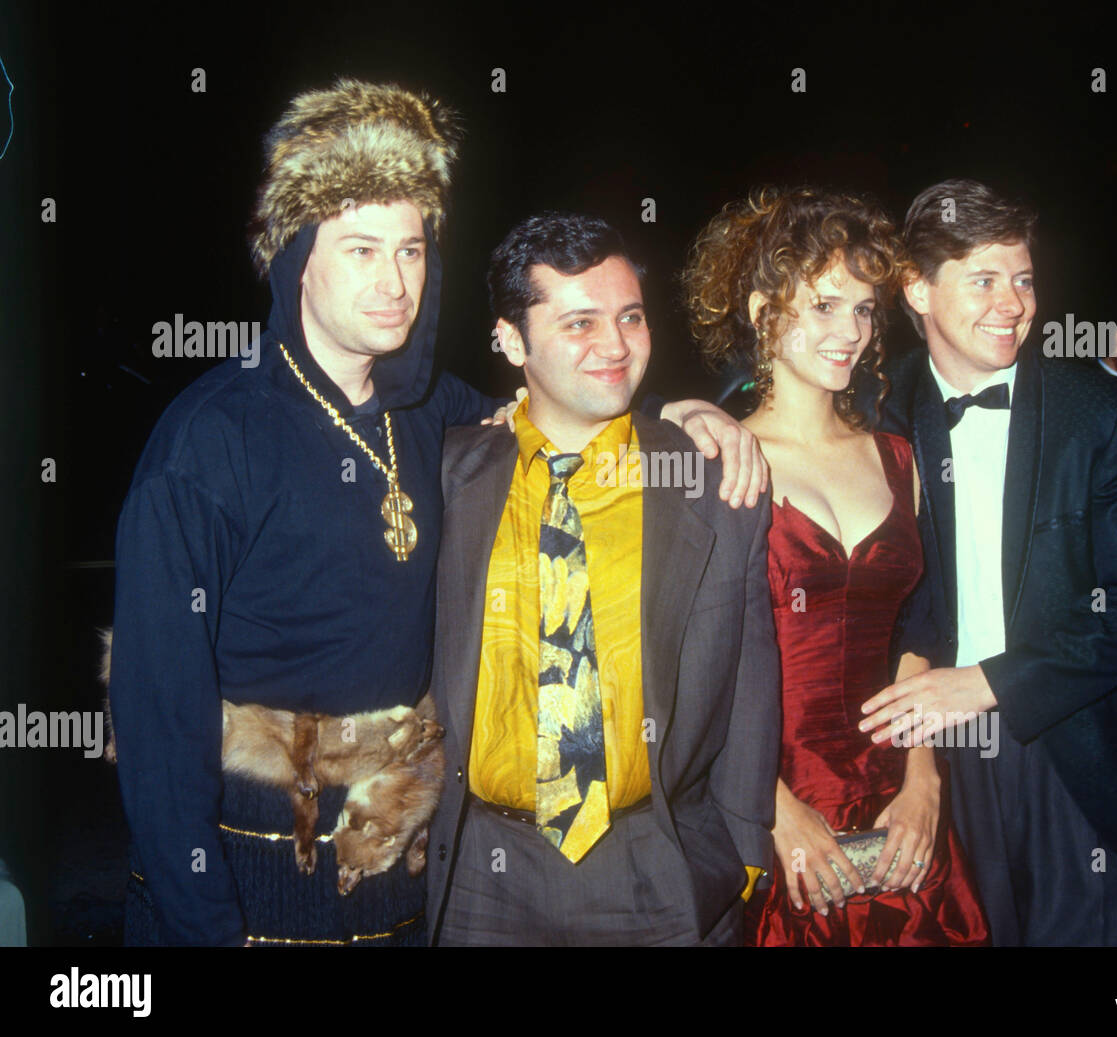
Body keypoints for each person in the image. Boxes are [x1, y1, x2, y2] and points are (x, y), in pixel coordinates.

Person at [108, 79, 767, 947]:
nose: (393, 283)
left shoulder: (435, 413)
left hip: (408, 882)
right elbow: (157, 713)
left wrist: (685, 413)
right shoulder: (207, 440)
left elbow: (564, 398)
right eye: (361, 250)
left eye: (412, 251)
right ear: (298, 253)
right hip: (251, 869)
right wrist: (202, 922)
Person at [425, 211, 781, 946]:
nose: (616, 346)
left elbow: (752, 677)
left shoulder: (713, 481)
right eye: (580, 323)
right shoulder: (446, 476)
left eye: (630, 317)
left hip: (657, 866)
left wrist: (744, 855)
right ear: (511, 339)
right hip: (481, 878)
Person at [859, 178, 1117, 945]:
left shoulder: (1101, 414)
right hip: (929, 763)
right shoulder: (872, 411)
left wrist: (989, 682)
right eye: (983, 279)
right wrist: (689, 414)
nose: (1013, 301)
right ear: (917, 289)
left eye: (1024, 278)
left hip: (1076, 756)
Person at [682, 186, 989, 946]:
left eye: (861, 308)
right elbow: (689, 668)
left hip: (896, 804)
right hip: (774, 800)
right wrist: (773, 810)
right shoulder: (716, 458)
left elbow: (924, 630)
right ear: (761, 311)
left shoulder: (897, 456)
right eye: (823, 305)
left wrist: (926, 780)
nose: (849, 330)